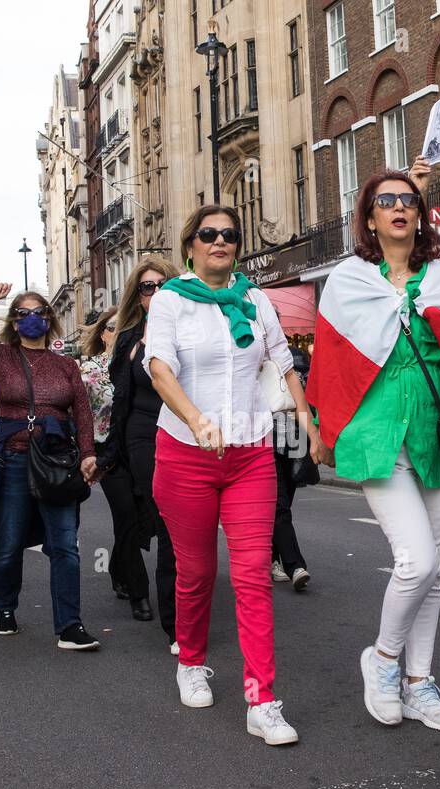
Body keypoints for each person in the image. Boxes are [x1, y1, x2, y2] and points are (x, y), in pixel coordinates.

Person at [310, 168, 440, 735]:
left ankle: (420, 681)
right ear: (368, 217)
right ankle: (383, 662)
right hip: (377, 433)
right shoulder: (348, 281)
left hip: (436, 432)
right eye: (386, 201)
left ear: (420, 215)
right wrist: (320, 427)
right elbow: (330, 365)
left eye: (408, 201)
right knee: (418, 561)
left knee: (433, 571)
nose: (398, 209)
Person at [146, 205, 317, 744]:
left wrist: (308, 420)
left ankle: (262, 699)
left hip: (249, 454)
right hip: (185, 454)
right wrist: (195, 419)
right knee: (196, 574)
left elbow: (283, 363)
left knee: (251, 577)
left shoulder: (255, 299)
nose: (220, 241)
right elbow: (159, 366)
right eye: (208, 234)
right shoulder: (172, 299)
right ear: (191, 245)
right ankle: (191, 661)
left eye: (229, 235)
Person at [0, 282, 99, 645]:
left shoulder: (65, 365)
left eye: (39, 313)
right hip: (13, 458)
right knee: (10, 540)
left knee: (65, 544)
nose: (32, 319)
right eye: (23, 314)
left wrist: (88, 454)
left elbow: (82, 412)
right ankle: (4, 606)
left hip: (56, 461)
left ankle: (69, 625)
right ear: (14, 323)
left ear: (49, 320)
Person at [105, 257, 182, 652]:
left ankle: (176, 609)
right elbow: (120, 397)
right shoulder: (130, 336)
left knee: (177, 526)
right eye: (147, 288)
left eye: (162, 285)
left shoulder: (191, 328)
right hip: (140, 437)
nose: (155, 293)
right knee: (151, 519)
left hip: (184, 431)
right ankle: (152, 603)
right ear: (139, 295)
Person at [80, 307, 151, 621]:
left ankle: (116, 565)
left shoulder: (139, 363)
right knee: (126, 517)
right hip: (108, 453)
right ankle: (140, 594)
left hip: (139, 448)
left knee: (145, 518)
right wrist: (86, 453)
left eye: (122, 327)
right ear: (101, 333)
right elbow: (79, 416)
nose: (116, 332)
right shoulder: (89, 370)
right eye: (110, 327)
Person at [269, 343, 313, 591]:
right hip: (263, 438)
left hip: (294, 438)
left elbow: (307, 394)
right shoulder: (245, 351)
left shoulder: (294, 355)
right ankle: (295, 565)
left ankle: (272, 557)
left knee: (284, 503)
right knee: (279, 505)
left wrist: (314, 435)